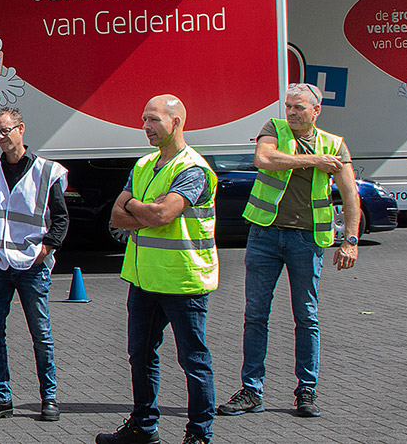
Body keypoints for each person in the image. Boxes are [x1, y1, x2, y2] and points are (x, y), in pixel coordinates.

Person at [218, 83, 361, 419]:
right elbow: (263, 159)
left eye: (299, 108)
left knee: (306, 316)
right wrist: (313, 161)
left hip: (307, 240)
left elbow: (350, 194)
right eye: (289, 107)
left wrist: (350, 240)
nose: (292, 113)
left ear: (316, 110)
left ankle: (306, 391)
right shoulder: (275, 129)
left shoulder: (335, 145)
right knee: (255, 314)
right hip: (265, 234)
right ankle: (252, 391)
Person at [98, 95, 217, 444]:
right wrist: (143, 209)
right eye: (144, 120)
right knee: (140, 355)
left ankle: (199, 433)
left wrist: (134, 205)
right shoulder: (144, 164)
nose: (146, 127)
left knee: (193, 361)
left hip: (182, 280)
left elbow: (163, 215)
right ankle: (142, 428)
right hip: (144, 279)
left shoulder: (192, 169)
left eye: (154, 120)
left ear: (176, 122)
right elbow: (116, 217)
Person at [0, 107, 68, 421]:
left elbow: (61, 218)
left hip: (32, 267)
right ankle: (2, 398)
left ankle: (49, 398)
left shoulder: (46, 171)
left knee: (41, 334)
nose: (1, 137)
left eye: (5, 130)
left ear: (21, 129)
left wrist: (47, 248)